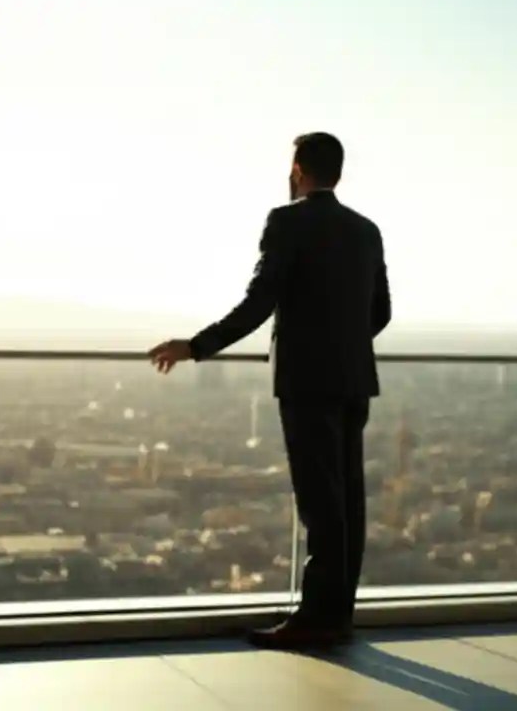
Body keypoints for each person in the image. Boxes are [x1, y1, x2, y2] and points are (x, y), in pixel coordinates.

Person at [148, 132, 392, 650]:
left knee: (319, 503)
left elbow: (259, 303)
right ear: (339, 173)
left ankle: (317, 620)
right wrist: (343, 340)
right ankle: (337, 613)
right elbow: (382, 313)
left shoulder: (286, 222)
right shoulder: (366, 230)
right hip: (354, 379)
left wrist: (195, 347)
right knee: (347, 500)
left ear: (298, 170)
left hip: (306, 381)